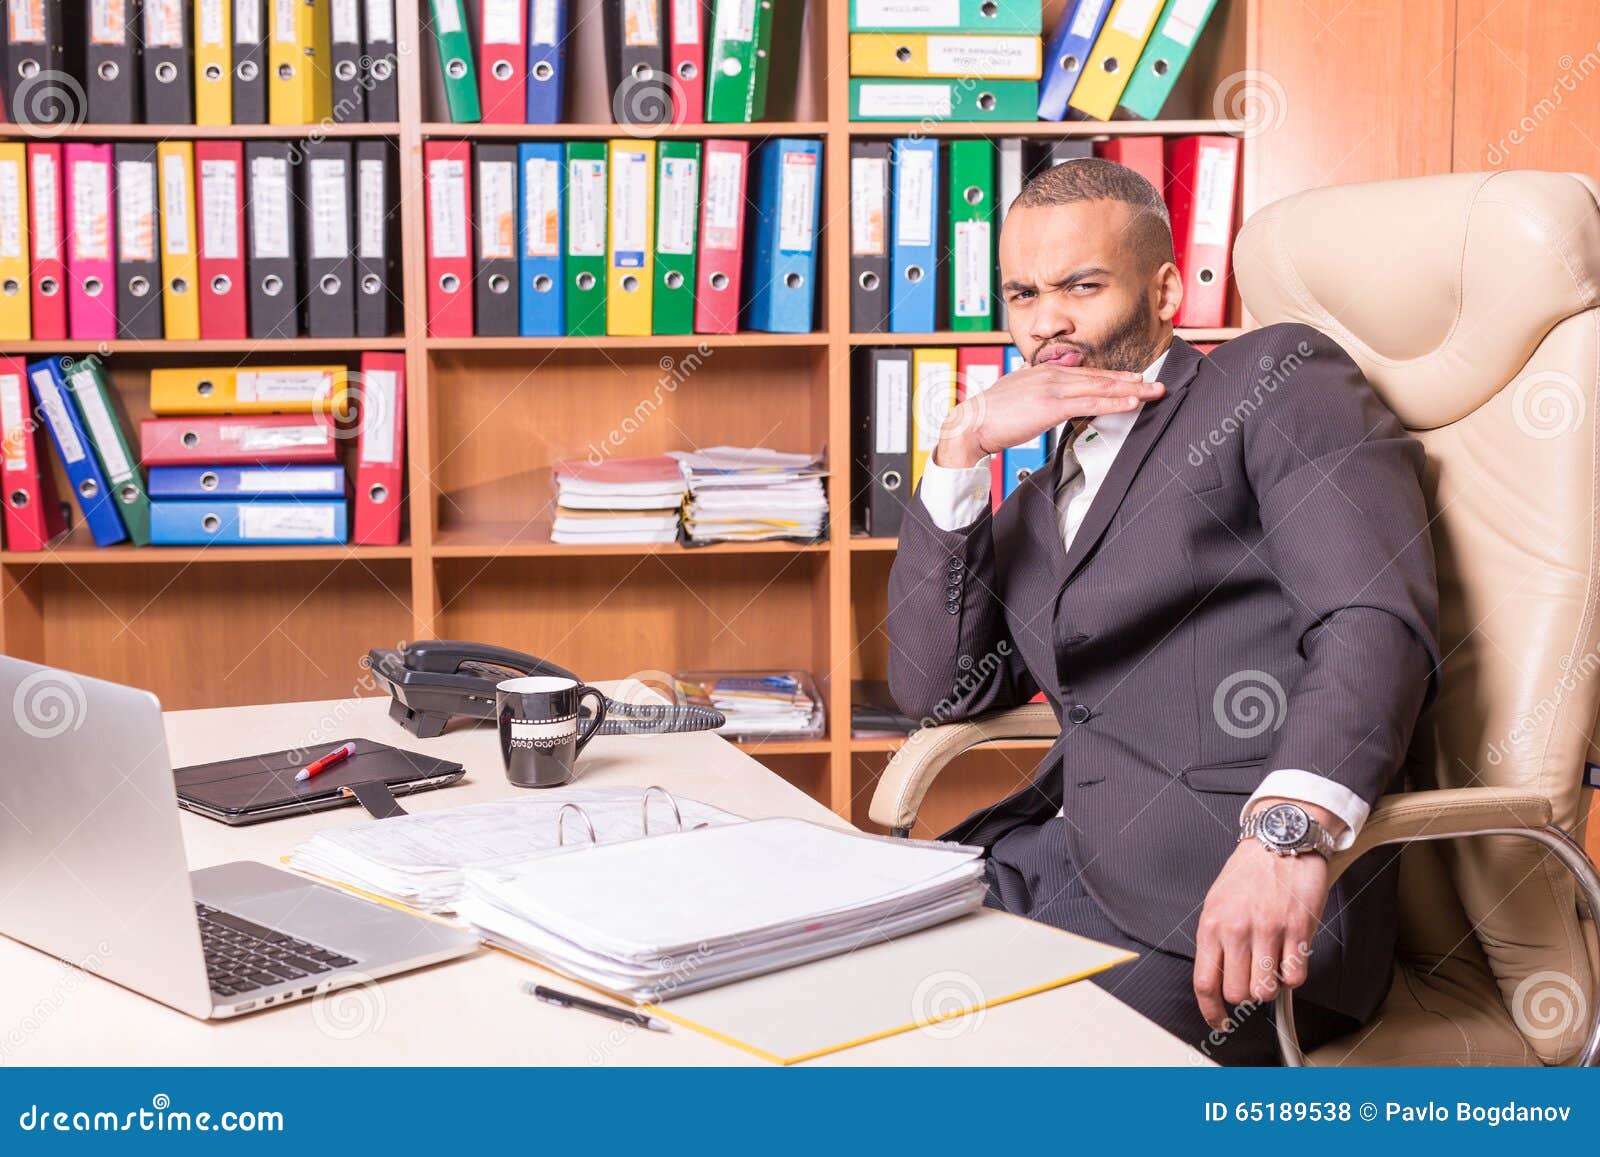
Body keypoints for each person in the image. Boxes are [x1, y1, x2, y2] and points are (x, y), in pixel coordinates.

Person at [886, 158, 1440, 1064]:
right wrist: (958, 451)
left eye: (1082, 285)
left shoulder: (1271, 380)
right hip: (1055, 869)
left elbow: (1370, 617)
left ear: (1166, 287)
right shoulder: (1039, 496)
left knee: (976, 1064)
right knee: (829, 1002)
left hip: (1230, 902)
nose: (1046, 321)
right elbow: (932, 688)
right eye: (1023, 293)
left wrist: (1284, 837)